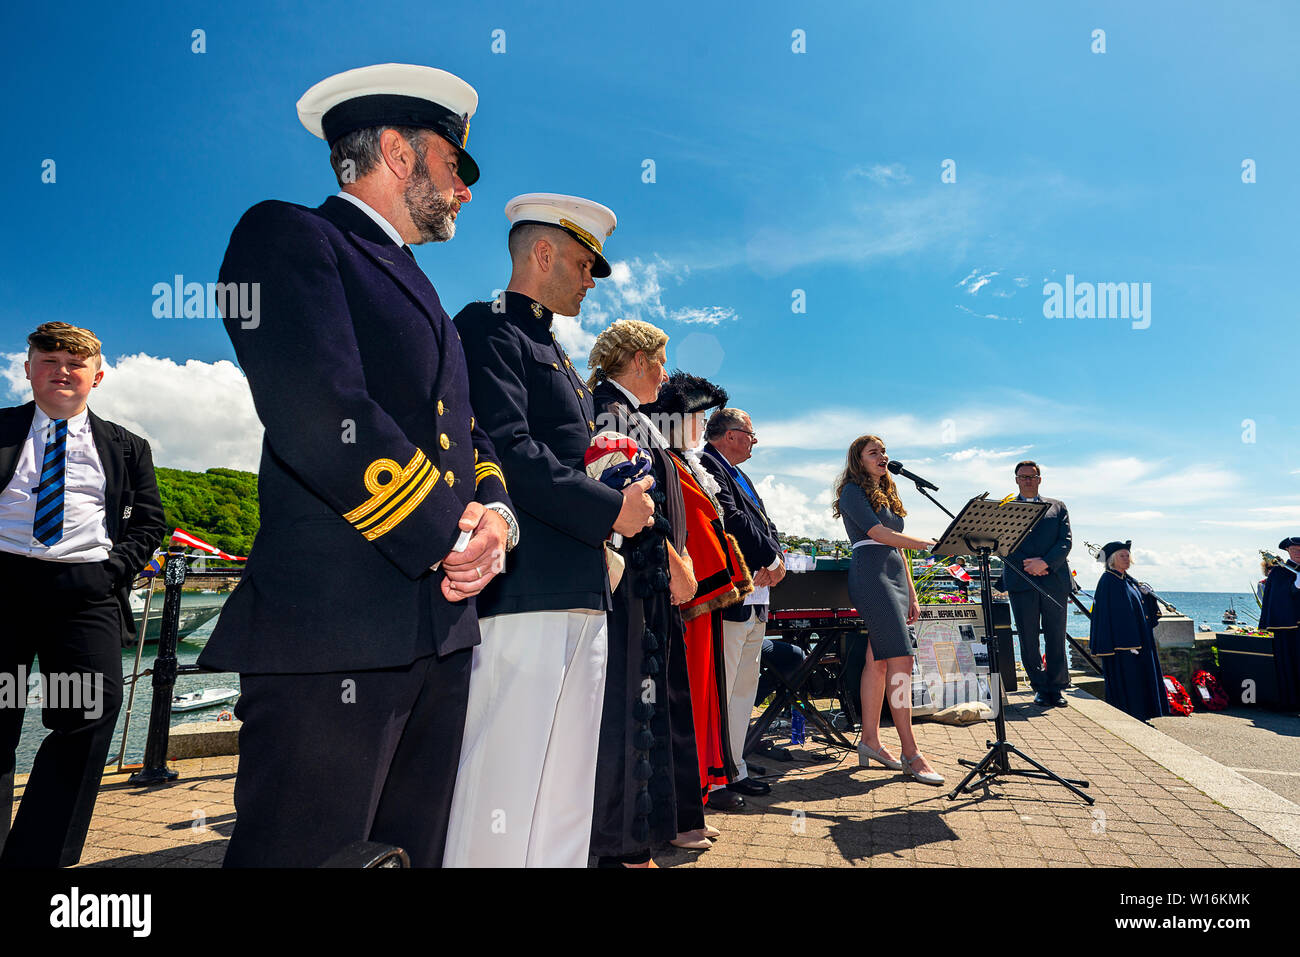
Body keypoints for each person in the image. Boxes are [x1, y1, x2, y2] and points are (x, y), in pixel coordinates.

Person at [197, 64, 514, 868]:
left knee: (411, 855)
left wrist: (496, 517)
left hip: (439, 632)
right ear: (401, 154)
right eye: (456, 166)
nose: (465, 191)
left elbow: (467, 435)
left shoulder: (423, 291)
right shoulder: (287, 236)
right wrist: (450, 532)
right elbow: (318, 409)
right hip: (333, 634)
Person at [446, 194, 656, 867]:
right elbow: (505, 449)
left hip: (581, 584)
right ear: (543, 253)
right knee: (502, 783)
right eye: (585, 265)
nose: (591, 281)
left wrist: (614, 502)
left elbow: (572, 455)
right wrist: (610, 509)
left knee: (566, 790)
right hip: (525, 586)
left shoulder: (556, 352)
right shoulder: (488, 327)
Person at [0, 322, 166, 867]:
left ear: (97, 376)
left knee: (91, 710)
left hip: (84, 590)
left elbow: (149, 523)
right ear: (28, 369)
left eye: (75, 363)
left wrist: (110, 572)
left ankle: (36, 856)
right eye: (49, 361)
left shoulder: (127, 447)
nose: (62, 371)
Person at [587, 319, 694, 867]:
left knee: (647, 707)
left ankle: (643, 837)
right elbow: (629, 505)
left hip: (647, 578)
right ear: (638, 359)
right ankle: (624, 849)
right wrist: (676, 562)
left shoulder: (633, 415)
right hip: (632, 579)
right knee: (630, 710)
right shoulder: (609, 411)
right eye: (661, 361)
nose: (666, 374)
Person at [643, 370, 752, 849]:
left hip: (704, 598)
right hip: (688, 597)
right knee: (685, 708)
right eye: (697, 416)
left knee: (702, 705)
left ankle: (697, 800)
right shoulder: (663, 460)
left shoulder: (681, 462)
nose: (702, 425)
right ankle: (681, 812)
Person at [832, 434, 944, 785]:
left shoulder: (888, 491)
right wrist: (925, 543)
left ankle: (870, 740)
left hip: (894, 575)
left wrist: (911, 593)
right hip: (871, 576)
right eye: (873, 452)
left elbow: (898, 548)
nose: (882, 456)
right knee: (901, 660)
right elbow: (879, 534)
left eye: (883, 451)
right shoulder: (852, 491)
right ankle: (911, 752)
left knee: (878, 661)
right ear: (859, 459)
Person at [698, 407, 785, 808]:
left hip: (757, 598)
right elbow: (730, 519)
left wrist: (776, 557)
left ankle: (735, 768)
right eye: (751, 435)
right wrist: (768, 558)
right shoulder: (707, 465)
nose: (754, 442)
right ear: (730, 434)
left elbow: (765, 524)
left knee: (744, 690)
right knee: (724, 688)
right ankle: (715, 778)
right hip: (732, 594)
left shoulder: (741, 475)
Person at [999, 460, 1074, 708]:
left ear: (1040, 479)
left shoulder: (1058, 506)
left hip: (1055, 580)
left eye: (1032, 476)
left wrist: (1045, 563)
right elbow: (1003, 544)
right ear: (1016, 480)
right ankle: (1040, 688)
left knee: (1056, 636)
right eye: (1022, 477)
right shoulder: (1006, 509)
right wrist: (1029, 565)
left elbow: (1065, 542)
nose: (1027, 480)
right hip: (1021, 581)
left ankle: (1057, 687)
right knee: (1028, 638)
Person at [1088, 542, 1169, 722]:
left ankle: (1142, 715)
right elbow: (1108, 616)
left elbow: (1141, 610)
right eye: (1121, 556)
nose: (1126, 559)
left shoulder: (1129, 581)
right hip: (1121, 646)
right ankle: (1130, 717)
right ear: (1111, 560)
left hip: (1140, 641)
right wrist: (1125, 644)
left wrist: (1147, 596)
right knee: (1129, 682)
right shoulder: (1108, 581)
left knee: (1141, 680)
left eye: (1127, 556)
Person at [1258, 536, 1300, 709]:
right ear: (1288, 551)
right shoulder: (1279, 572)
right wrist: (1295, 587)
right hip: (1288, 628)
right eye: (1294, 549)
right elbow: (1278, 598)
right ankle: (1292, 703)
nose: (1298, 553)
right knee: (1289, 665)